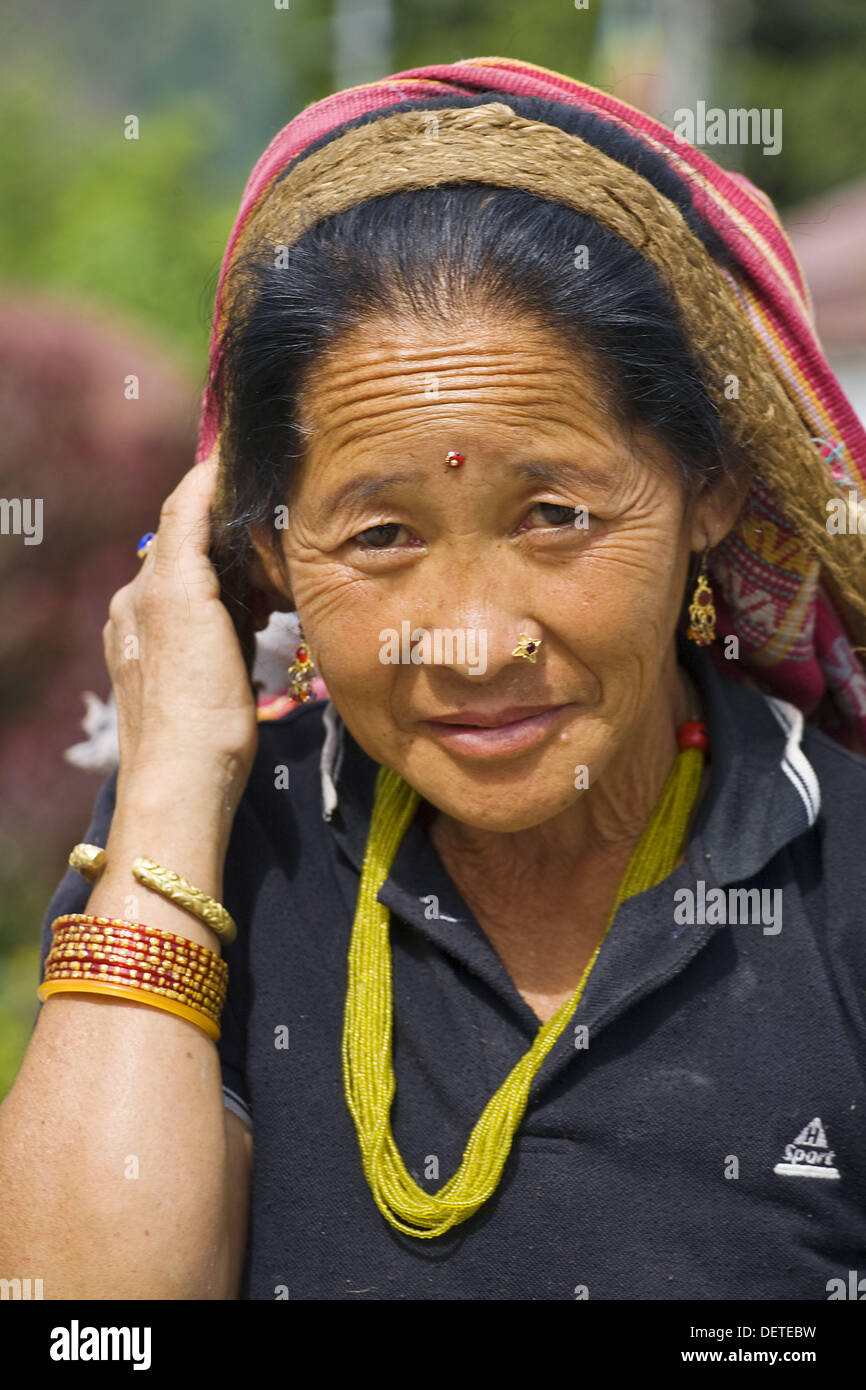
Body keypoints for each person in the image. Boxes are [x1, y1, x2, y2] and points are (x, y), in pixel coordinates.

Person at [2, 57, 865, 1301]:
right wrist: (173, 775)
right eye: (380, 536)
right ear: (266, 552)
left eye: (556, 514)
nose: (468, 642)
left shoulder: (835, 880)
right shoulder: (214, 849)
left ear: (707, 490)